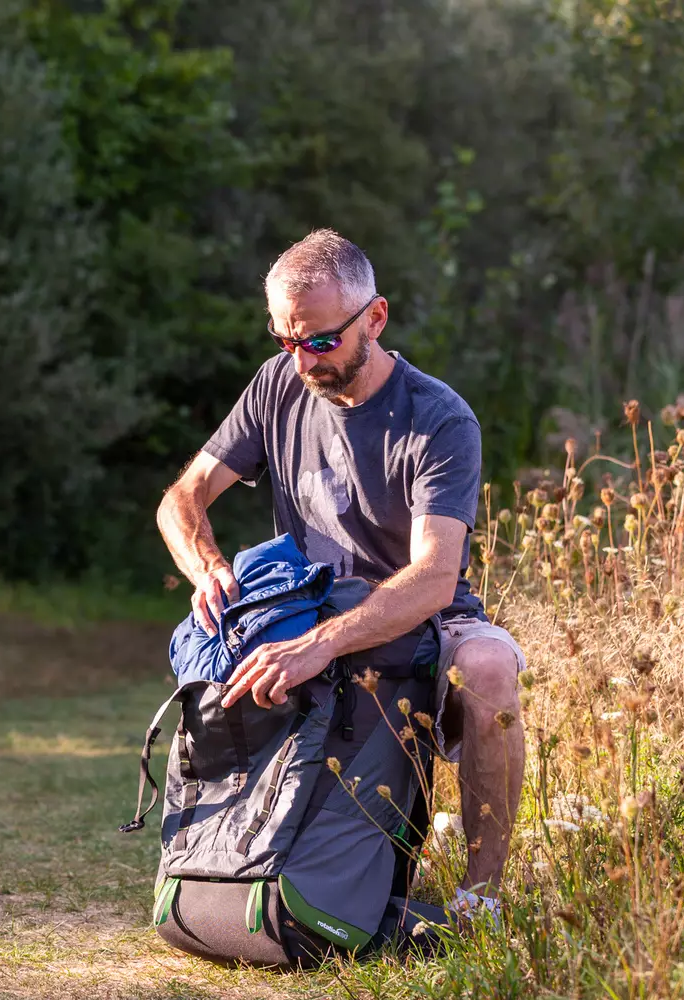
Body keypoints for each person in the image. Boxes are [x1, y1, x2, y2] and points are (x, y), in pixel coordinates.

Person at [156, 228, 525, 920]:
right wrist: (205, 568)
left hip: (417, 616)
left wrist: (323, 644)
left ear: (374, 318)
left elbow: (434, 578)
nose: (301, 363)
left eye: (321, 342)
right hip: (307, 609)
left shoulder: (439, 419)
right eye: (285, 340)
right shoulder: (277, 384)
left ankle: (482, 899)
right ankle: (249, 870)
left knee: (489, 669)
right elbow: (182, 498)